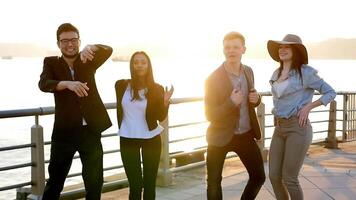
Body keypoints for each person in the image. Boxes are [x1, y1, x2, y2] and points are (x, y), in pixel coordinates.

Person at [38, 23, 112, 200]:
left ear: (79, 41)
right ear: (58, 43)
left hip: (90, 132)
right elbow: (44, 84)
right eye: (64, 41)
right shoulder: (51, 62)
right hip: (64, 133)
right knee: (55, 183)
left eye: (73, 40)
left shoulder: (88, 58)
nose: (69, 44)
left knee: (94, 183)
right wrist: (66, 84)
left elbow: (108, 50)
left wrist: (92, 47)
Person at [267, 34, 336, 200]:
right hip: (279, 128)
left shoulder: (306, 73)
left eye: (287, 47)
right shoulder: (276, 73)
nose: (282, 49)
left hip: (298, 128)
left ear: (295, 51)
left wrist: (309, 107)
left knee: (289, 179)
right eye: (280, 47)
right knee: (274, 177)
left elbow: (330, 92)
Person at [204, 31, 266, 200]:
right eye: (227, 47)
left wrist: (257, 98)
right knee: (214, 182)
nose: (231, 51)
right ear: (223, 50)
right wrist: (231, 102)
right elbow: (209, 114)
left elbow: (251, 98)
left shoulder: (249, 71)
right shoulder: (212, 79)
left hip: (245, 135)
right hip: (219, 137)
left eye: (235, 47)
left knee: (259, 177)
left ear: (243, 49)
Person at [115, 51, 174, 200]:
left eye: (143, 62)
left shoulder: (157, 88)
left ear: (148, 66)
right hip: (127, 139)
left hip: (151, 138)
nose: (139, 65)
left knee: (149, 185)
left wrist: (165, 103)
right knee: (135, 186)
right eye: (136, 62)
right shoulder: (121, 85)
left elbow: (160, 117)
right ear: (132, 66)